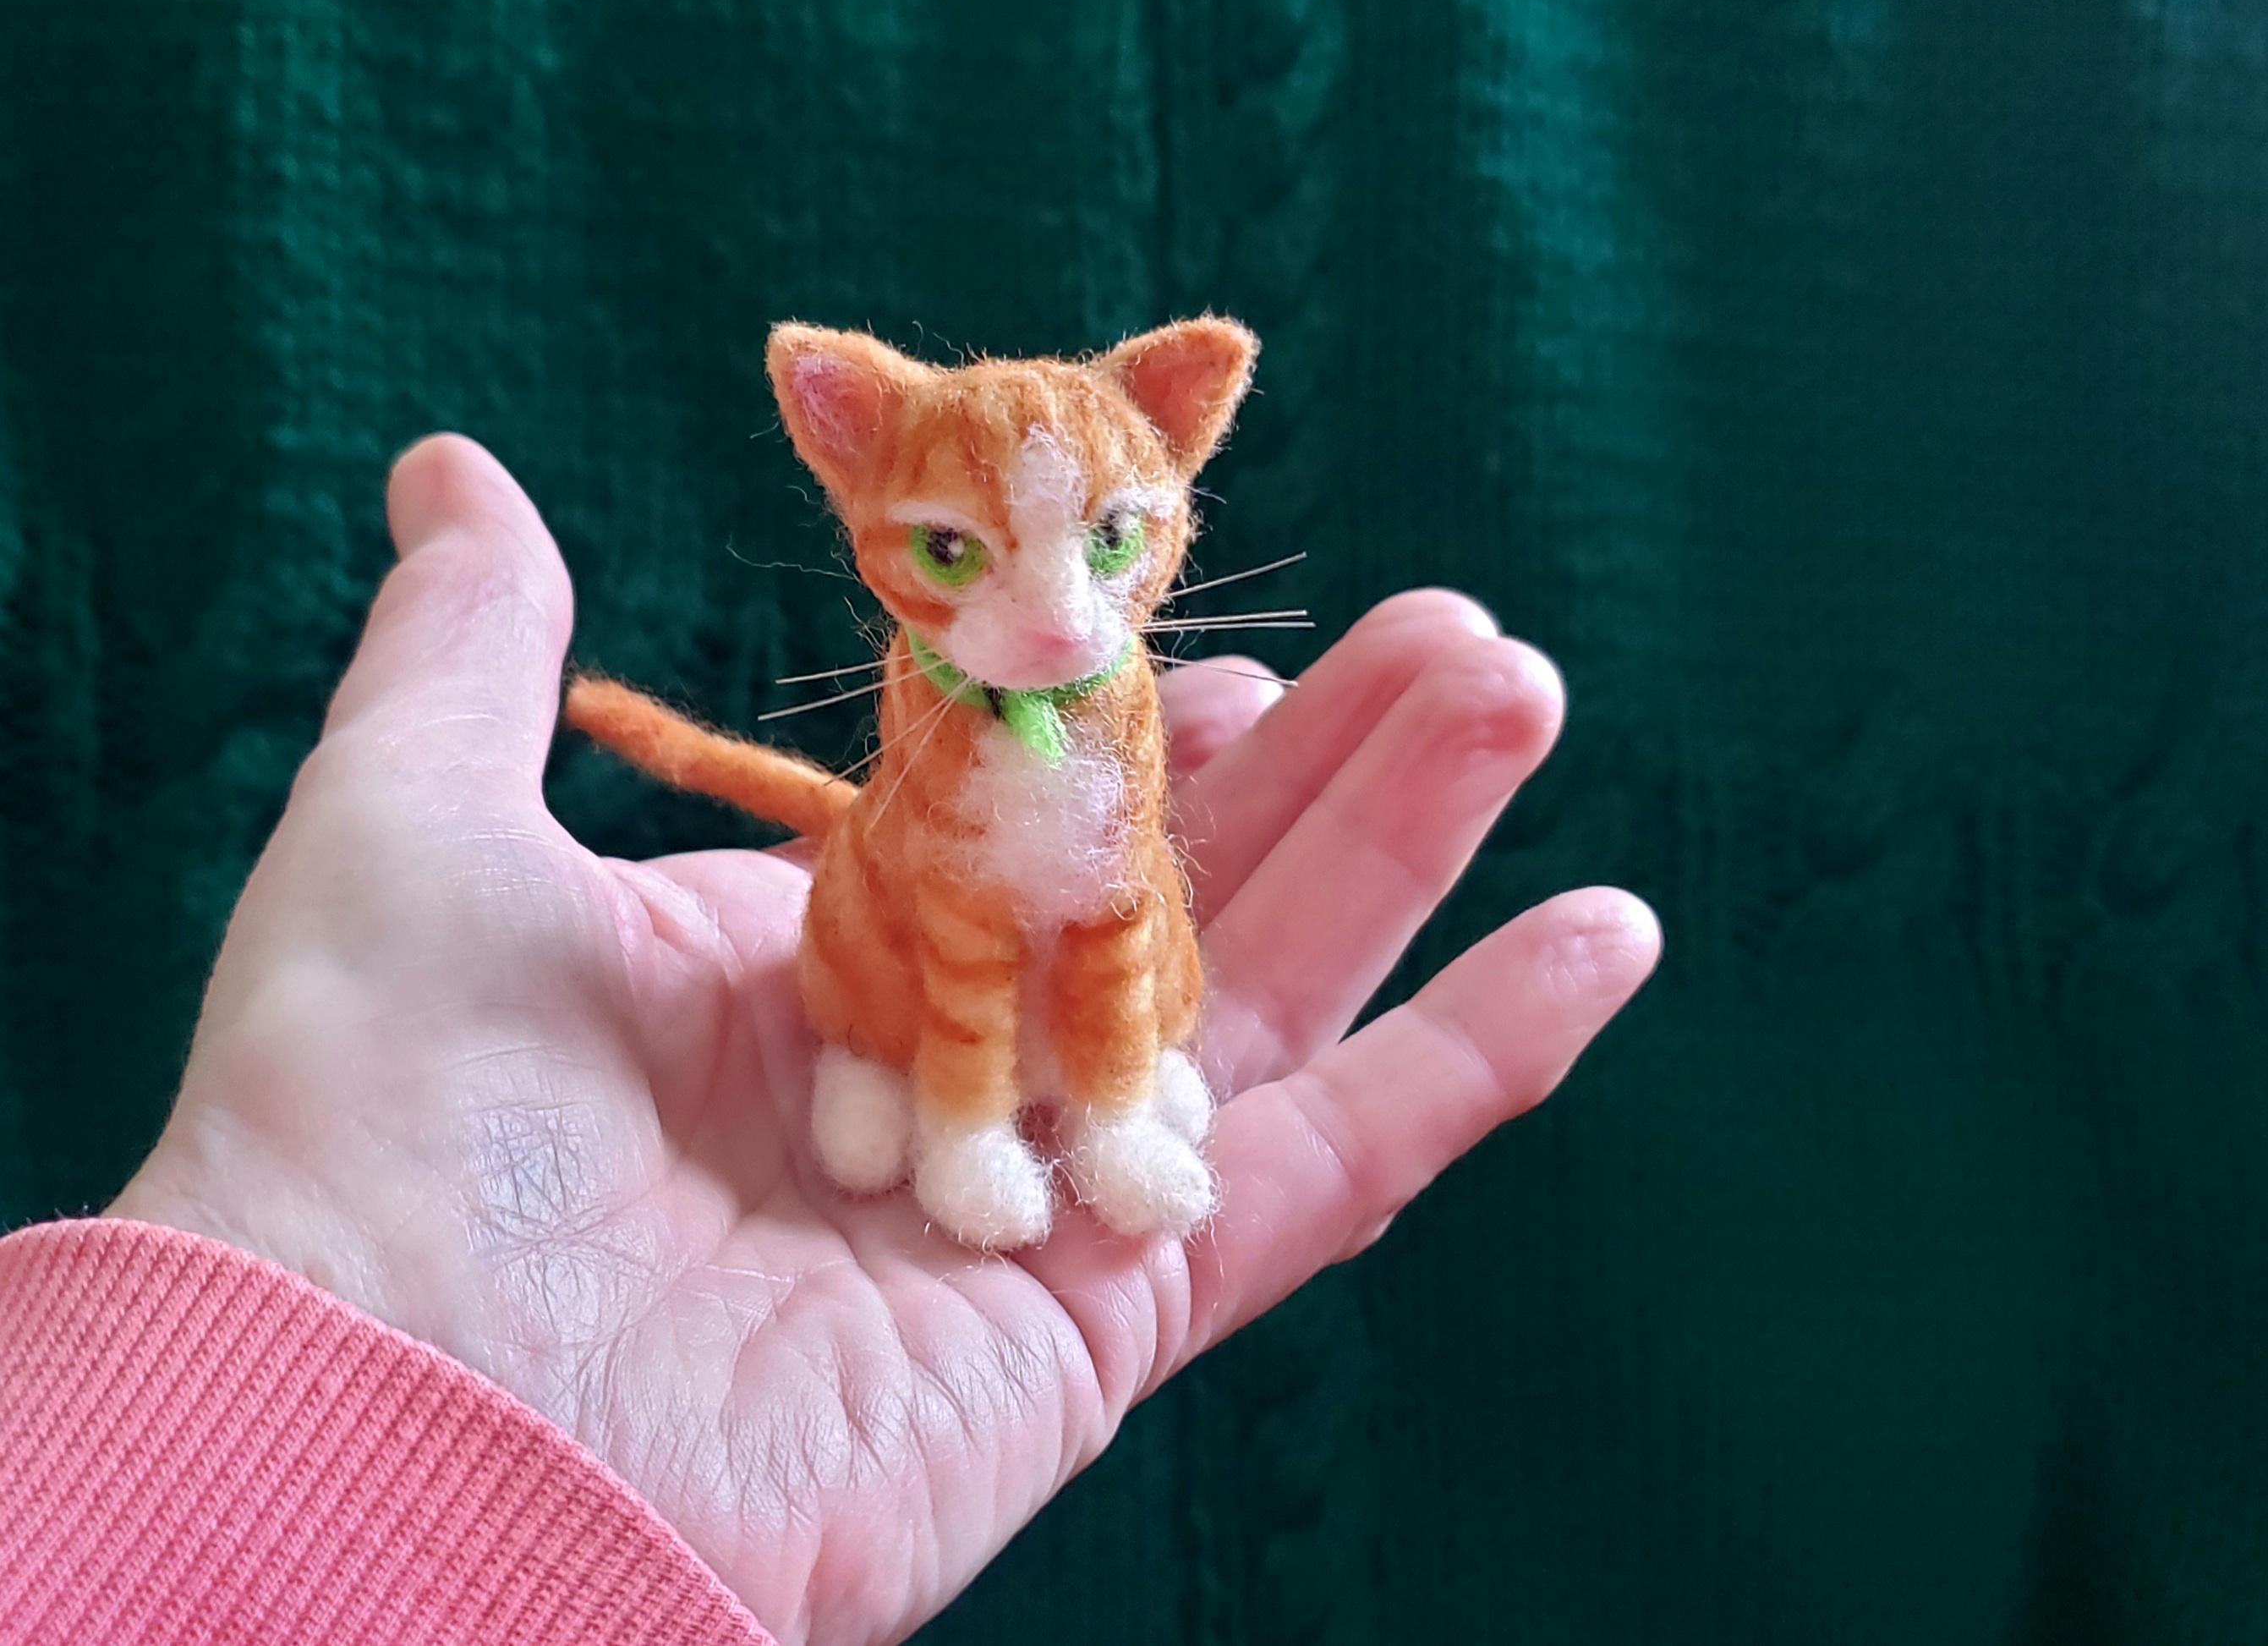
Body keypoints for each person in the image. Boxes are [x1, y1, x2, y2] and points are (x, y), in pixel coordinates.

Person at [0, 436, 1660, 1646]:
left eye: (1109, 546)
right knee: (918, 959)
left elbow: (1121, 910)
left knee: (1134, 936)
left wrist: (1113, 1079)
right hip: (887, 1002)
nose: (1053, 615)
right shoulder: (930, 704)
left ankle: (1096, 1094)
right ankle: (909, 1090)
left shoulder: (1116, 699)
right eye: (958, 554)